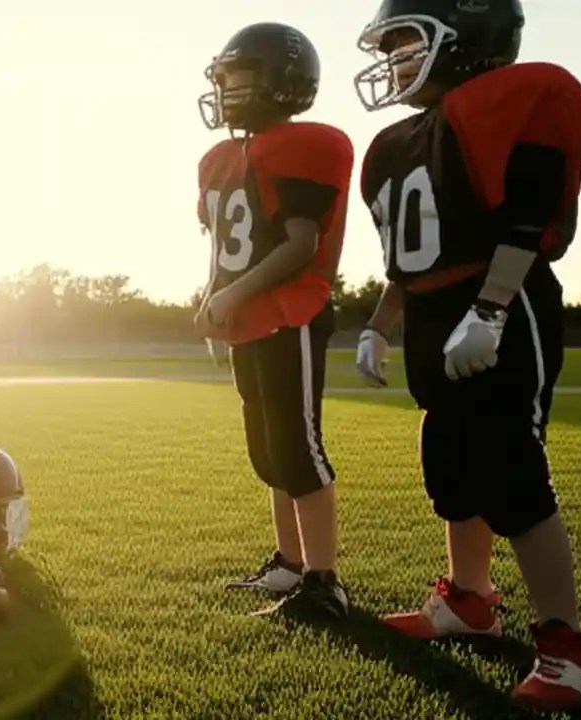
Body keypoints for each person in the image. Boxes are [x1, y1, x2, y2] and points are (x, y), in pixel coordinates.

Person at [353, 0, 581, 711]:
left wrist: (489, 310)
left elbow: (527, 216)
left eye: (407, 41)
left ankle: (567, 646)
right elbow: (407, 259)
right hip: (434, 313)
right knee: (453, 465)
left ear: (467, 38)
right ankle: (469, 599)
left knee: (511, 469)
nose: (394, 59)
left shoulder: (518, 100)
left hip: (499, 300)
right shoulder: (399, 143)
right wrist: (378, 325)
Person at [192, 23, 354, 617]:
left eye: (237, 76)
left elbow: (300, 245)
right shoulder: (220, 157)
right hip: (247, 318)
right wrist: (211, 297)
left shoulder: (306, 143)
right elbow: (224, 251)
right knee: (268, 452)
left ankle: (324, 580)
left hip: (291, 313)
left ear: (280, 82)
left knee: (297, 449)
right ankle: (289, 565)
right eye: (223, 77)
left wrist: (233, 297)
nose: (226, 88)